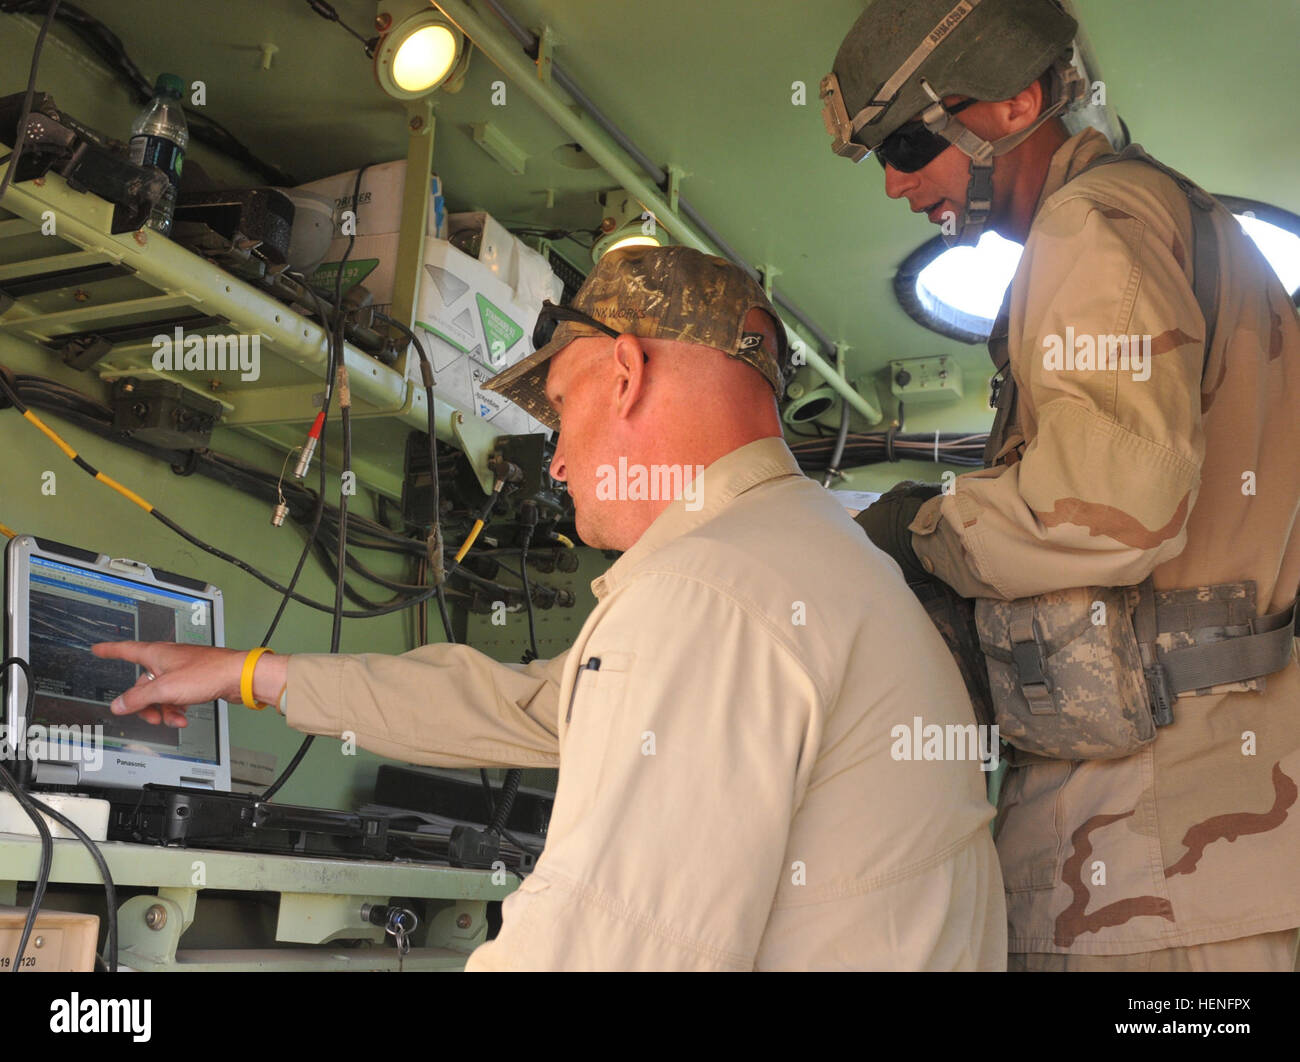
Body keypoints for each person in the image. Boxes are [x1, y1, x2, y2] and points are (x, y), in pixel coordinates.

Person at [95, 244, 1006, 971]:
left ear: (625, 373)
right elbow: (531, 706)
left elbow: (609, 941)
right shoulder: (807, 558)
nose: (558, 461)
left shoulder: (709, 592)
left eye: (561, 409)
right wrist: (254, 675)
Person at [822, 0, 1300, 970]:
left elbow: (1111, 506)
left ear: (1015, 101)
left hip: (1147, 850)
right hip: (1220, 819)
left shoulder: (1090, 223)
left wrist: (923, 531)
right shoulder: (1197, 229)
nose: (897, 184)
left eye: (910, 143)